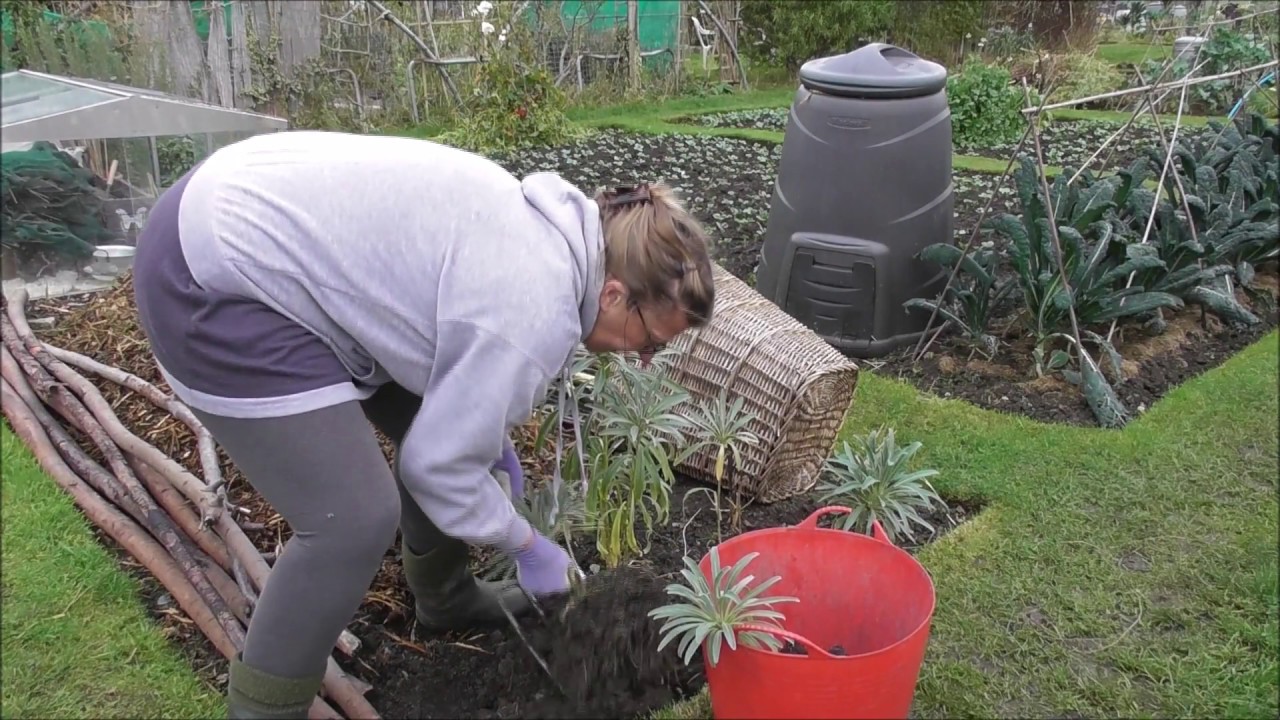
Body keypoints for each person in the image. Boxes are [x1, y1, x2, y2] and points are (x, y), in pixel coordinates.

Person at [129, 130, 716, 719]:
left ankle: (445, 598)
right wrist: (526, 544)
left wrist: (480, 441)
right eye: (651, 340)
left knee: (432, 426)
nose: (642, 358)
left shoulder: (557, 233)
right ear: (614, 295)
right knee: (351, 520)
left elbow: (452, 349)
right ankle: (262, 712)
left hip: (237, 207)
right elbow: (436, 464)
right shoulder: (533, 310)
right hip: (211, 276)